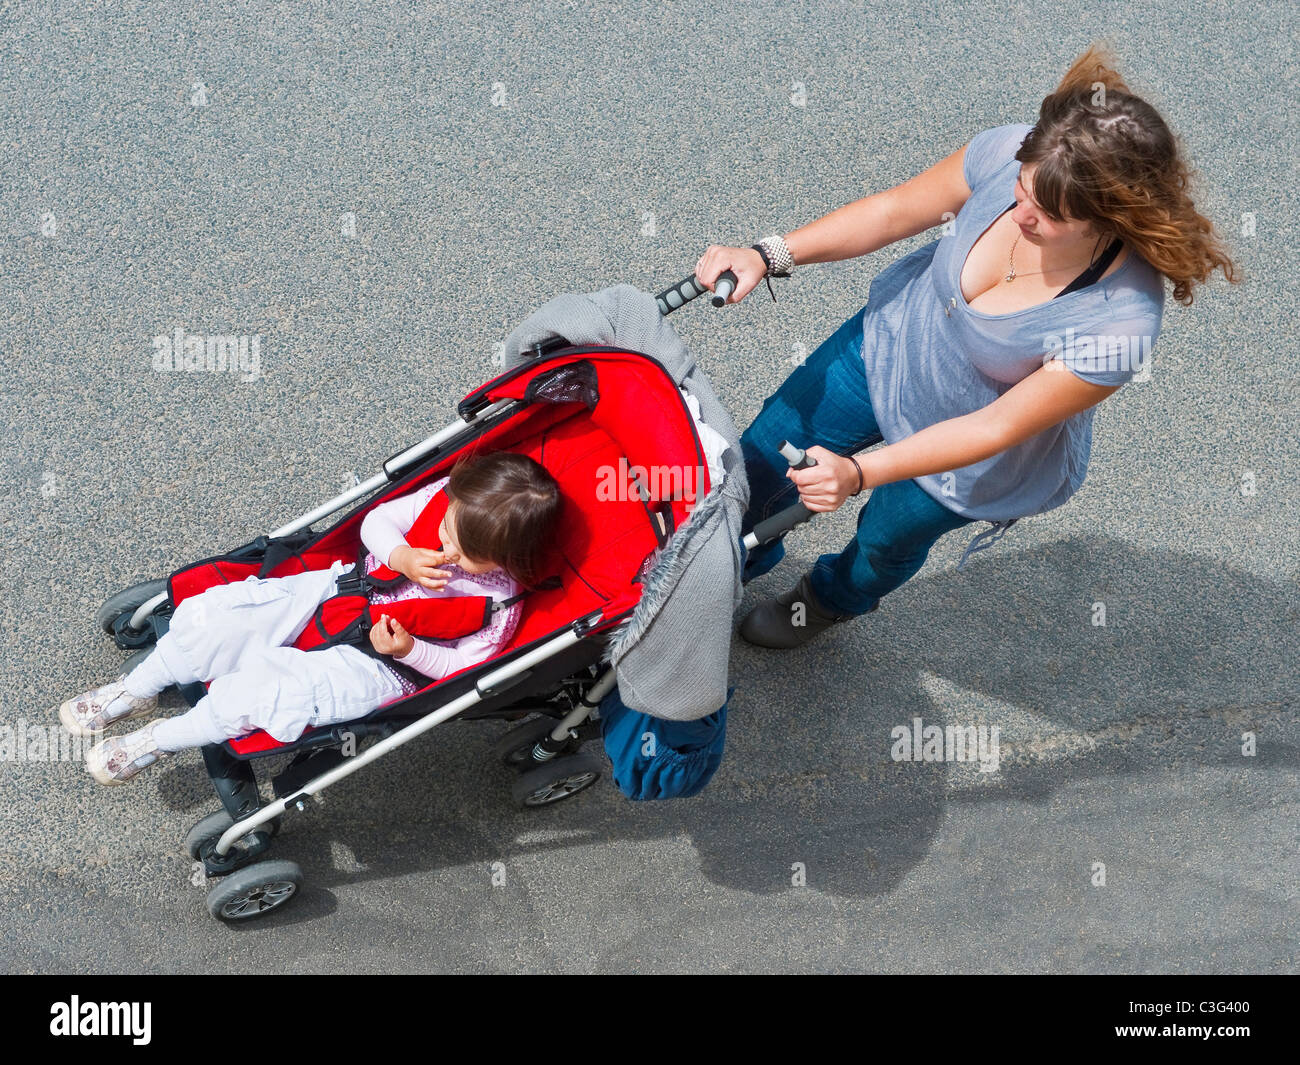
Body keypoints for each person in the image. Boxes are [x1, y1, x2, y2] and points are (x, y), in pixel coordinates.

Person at [694, 44, 1238, 648]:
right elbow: (893, 210)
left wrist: (857, 472)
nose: (1021, 213)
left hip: (970, 452)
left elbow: (995, 429)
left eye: (1050, 214)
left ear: (1112, 219)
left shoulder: (1122, 324)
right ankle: (714, 578)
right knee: (757, 462)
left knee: (884, 540)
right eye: (1023, 188)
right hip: (888, 349)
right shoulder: (1011, 151)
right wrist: (768, 254)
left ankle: (825, 602)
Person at [60, 451, 562, 784]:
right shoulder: (442, 503)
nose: (449, 549)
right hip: (344, 589)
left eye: (468, 554)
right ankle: (138, 688)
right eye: (450, 531)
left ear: (508, 562)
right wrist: (403, 555)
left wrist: (412, 650)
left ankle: (158, 740)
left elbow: (461, 672)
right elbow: (377, 522)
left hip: (386, 667)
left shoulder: (500, 606)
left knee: (270, 692)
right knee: (218, 620)